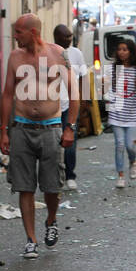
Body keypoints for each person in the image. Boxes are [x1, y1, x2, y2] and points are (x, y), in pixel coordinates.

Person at [0, 14, 78, 258]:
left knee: (52, 186)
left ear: (32, 32)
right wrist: (4, 131)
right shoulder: (15, 57)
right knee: (24, 187)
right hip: (22, 128)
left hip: (51, 127)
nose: (14, 36)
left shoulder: (57, 55)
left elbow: (74, 93)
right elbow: (8, 95)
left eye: (18, 32)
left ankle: (51, 221)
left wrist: (69, 127)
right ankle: (31, 239)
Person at [104, 37, 136, 188]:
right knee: (120, 144)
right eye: (119, 49)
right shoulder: (112, 69)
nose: (121, 52)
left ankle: (133, 162)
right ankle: (120, 175)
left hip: (132, 112)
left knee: (130, 145)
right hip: (116, 112)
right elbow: (105, 87)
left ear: (131, 51)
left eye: (125, 49)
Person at [53, 23, 86, 190]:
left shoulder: (76, 54)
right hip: (51, 107)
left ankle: (70, 175)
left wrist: (82, 99)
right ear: (56, 37)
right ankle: (55, 176)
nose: (69, 40)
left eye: (70, 37)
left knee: (70, 143)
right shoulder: (49, 52)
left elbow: (82, 78)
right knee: (53, 144)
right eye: (66, 37)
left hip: (70, 105)